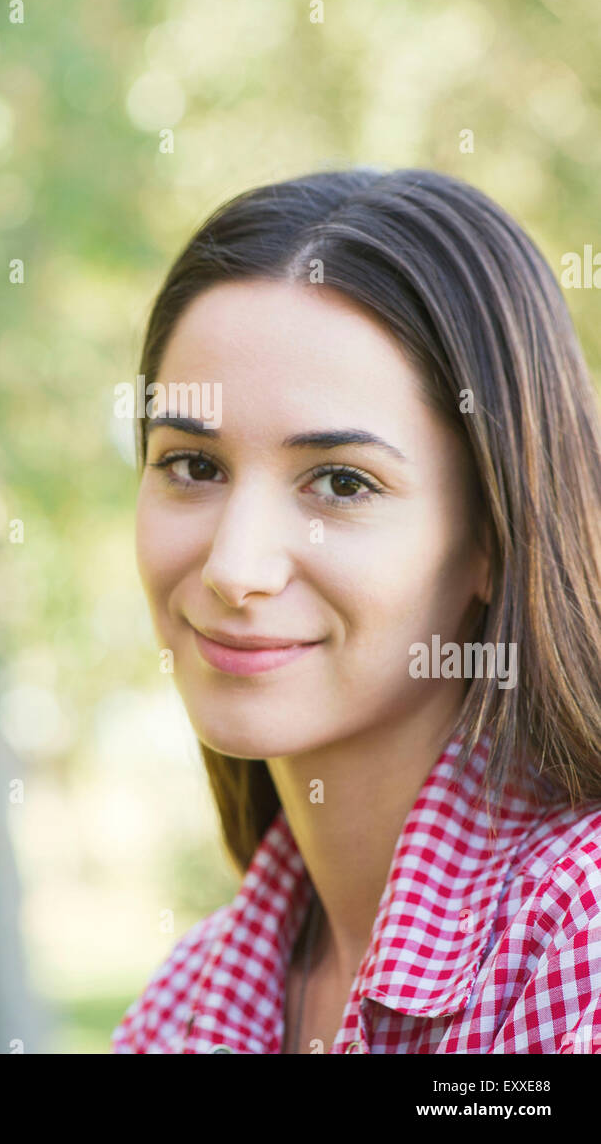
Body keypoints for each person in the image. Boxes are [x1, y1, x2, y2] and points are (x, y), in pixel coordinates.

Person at [110, 167, 601, 1054]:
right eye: (192, 466)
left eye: (340, 483)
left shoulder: (580, 942)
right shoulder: (185, 1005)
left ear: (493, 534)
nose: (235, 568)